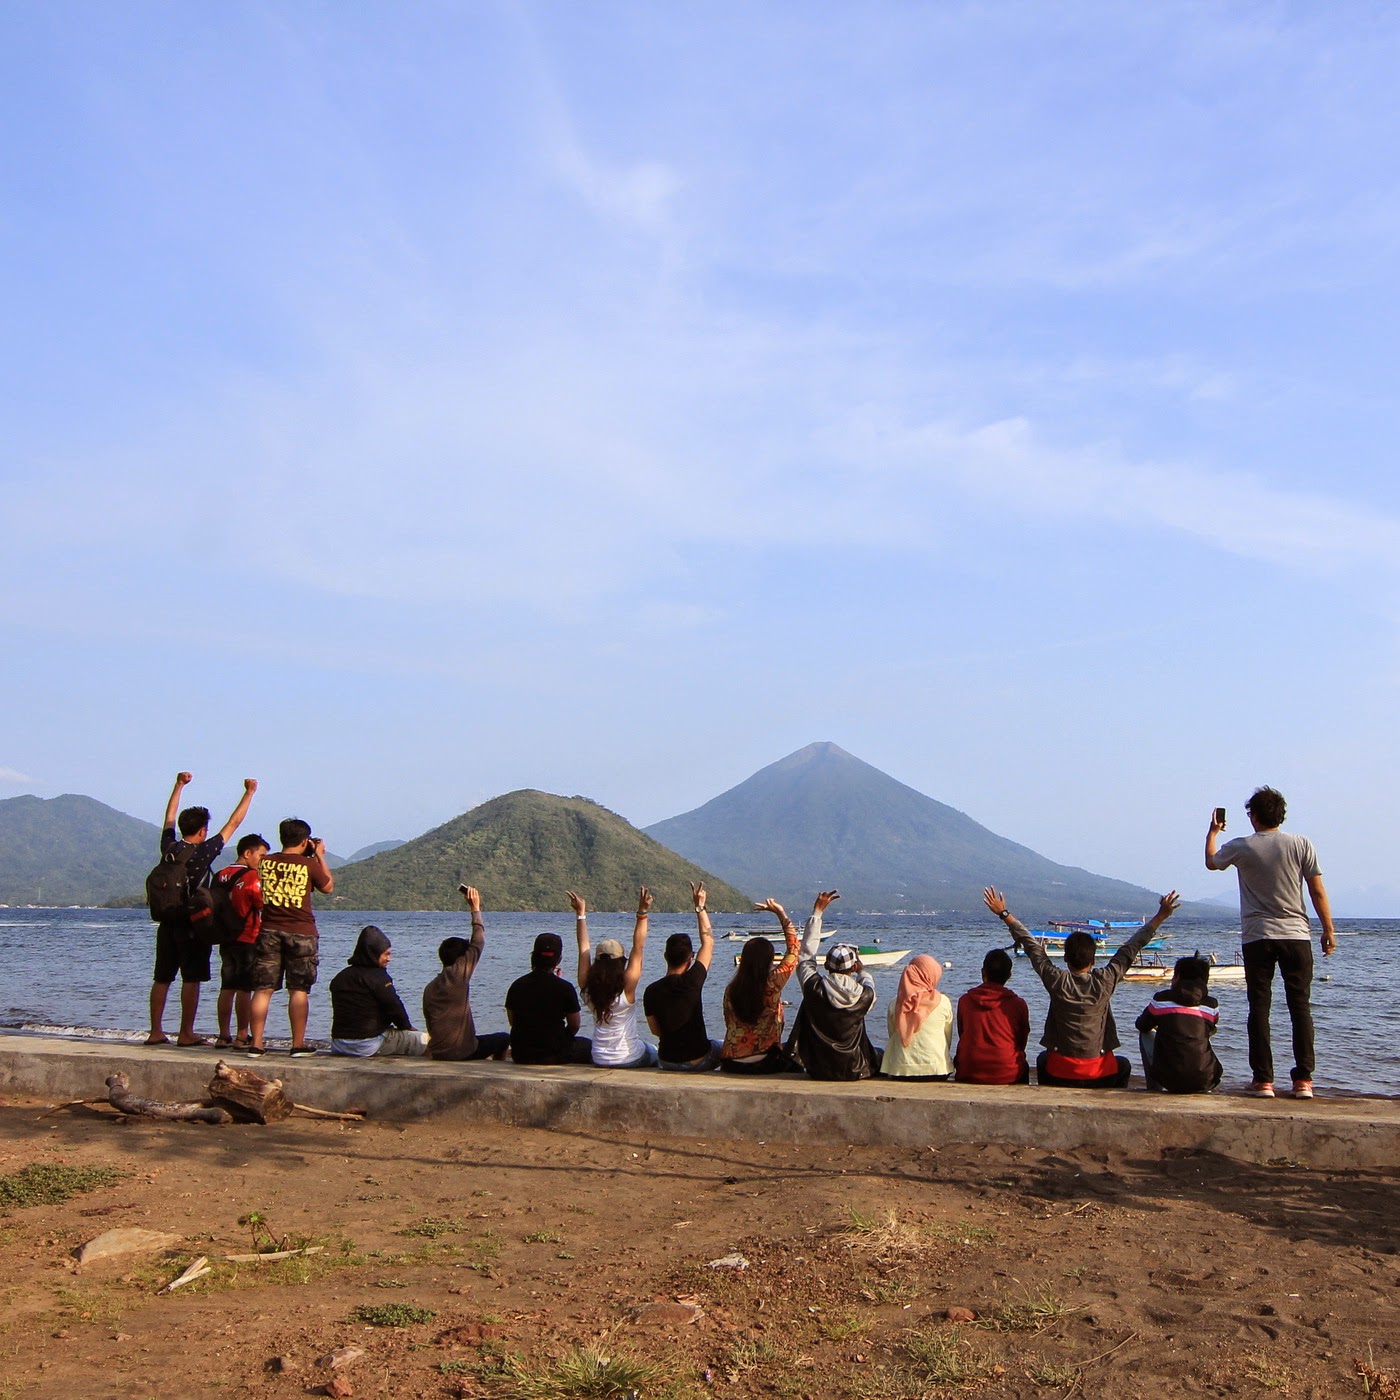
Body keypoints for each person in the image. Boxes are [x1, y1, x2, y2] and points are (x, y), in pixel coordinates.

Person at [1206, 788, 1336, 1099]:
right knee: (1300, 1007)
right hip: (1296, 936)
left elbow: (1212, 862)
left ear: (1254, 815)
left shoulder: (1242, 847)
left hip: (1257, 937)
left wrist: (1212, 832)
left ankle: (1263, 1080)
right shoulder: (1301, 844)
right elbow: (1317, 891)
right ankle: (1303, 1080)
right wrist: (1328, 929)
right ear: (1281, 815)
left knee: (1259, 1008)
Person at [984, 886, 1180, 1088]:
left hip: (1059, 1071)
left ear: (1066, 959)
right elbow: (1132, 946)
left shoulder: (1057, 981)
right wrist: (1161, 916)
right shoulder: (1105, 981)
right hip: (1099, 1072)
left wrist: (1004, 913)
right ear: (1094, 960)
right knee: (1124, 1065)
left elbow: (1030, 945)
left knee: (1042, 1059)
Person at [146, 771, 257, 1047]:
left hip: (166, 922)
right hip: (192, 924)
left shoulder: (169, 848)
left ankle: (156, 1031)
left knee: (162, 978)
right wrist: (250, 793)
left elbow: (169, 817)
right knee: (191, 979)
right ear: (202, 831)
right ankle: (186, 1033)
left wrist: (178, 785)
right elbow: (234, 822)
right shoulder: (202, 852)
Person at [247, 817, 334, 1057]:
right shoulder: (308, 865)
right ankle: (297, 1044)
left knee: (263, 988)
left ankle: (256, 1043)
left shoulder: (265, 862)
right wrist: (320, 855)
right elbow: (328, 887)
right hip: (302, 931)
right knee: (298, 990)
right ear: (305, 840)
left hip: (269, 929)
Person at [787, 890, 880, 1081]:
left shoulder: (813, 987)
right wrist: (861, 970)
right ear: (853, 967)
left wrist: (817, 913)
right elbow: (868, 983)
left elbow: (805, 956)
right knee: (880, 1052)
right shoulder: (865, 996)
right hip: (855, 1069)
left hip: (817, 1069)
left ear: (827, 965)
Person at [422, 885, 510, 1061]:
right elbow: (478, 941)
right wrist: (475, 908)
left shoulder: (430, 988)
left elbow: (431, 1025)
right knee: (504, 1038)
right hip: (462, 1052)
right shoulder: (457, 976)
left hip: (439, 1053)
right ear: (461, 959)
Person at [575, 887, 656, 1069]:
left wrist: (581, 915)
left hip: (598, 1057)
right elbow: (638, 947)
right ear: (622, 961)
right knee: (653, 1051)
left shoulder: (588, 988)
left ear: (596, 961)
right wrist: (642, 912)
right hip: (629, 1057)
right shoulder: (626, 986)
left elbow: (583, 949)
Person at [643, 882, 720, 1071]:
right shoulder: (693, 980)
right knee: (722, 1044)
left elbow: (655, 1031)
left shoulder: (651, 991)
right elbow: (708, 942)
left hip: (666, 1060)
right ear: (691, 958)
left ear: (665, 956)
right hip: (697, 1060)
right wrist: (700, 907)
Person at [719, 897, 801, 1074]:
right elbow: (794, 949)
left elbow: (728, 1023)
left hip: (732, 1062)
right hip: (766, 1061)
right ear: (770, 961)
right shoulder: (773, 983)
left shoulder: (731, 989)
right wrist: (781, 913)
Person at [328, 926, 428, 1057]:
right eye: (386, 954)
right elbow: (394, 1007)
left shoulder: (340, 977)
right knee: (427, 1041)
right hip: (368, 1045)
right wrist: (407, 1027)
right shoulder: (378, 978)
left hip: (338, 1044)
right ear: (373, 954)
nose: (389, 959)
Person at [211, 833, 269, 1048]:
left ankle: (223, 1035)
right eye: (261, 856)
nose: (263, 861)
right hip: (247, 936)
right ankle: (242, 1035)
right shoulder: (252, 877)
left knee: (227, 986)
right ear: (247, 853)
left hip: (225, 937)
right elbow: (262, 903)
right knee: (245, 988)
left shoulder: (219, 875)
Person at [1135, 955, 1223, 1094]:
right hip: (1204, 1078)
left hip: (1168, 1079)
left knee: (1145, 1033)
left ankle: (1154, 1086)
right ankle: (1201, 1078)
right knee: (1205, 1032)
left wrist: (1163, 1025)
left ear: (1177, 977)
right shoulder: (1211, 1004)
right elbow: (1211, 1027)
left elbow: (1141, 1025)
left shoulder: (1161, 999)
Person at [505, 932, 592, 1065]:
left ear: (534, 956)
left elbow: (513, 1021)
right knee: (592, 1046)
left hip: (521, 1053)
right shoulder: (565, 988)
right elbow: (574, 1025)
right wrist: (564, 1038)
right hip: (554, 1054)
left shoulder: (517, 985)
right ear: (559, 959)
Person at [953, 948, 1030, 1085]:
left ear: (983, 972)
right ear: (1009, 975)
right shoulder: (1018, 1004)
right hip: (1008, 1072)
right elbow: (1021, 1041)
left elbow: (963, 1034)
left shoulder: (965, 1000)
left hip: (969, 1071)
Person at [881, 954, 953, 1081]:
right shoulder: (944, 1002)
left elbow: (892, 1034)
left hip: (901, 1070)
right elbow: (947, 1038)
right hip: (938, 1070)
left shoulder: (895, 1004)